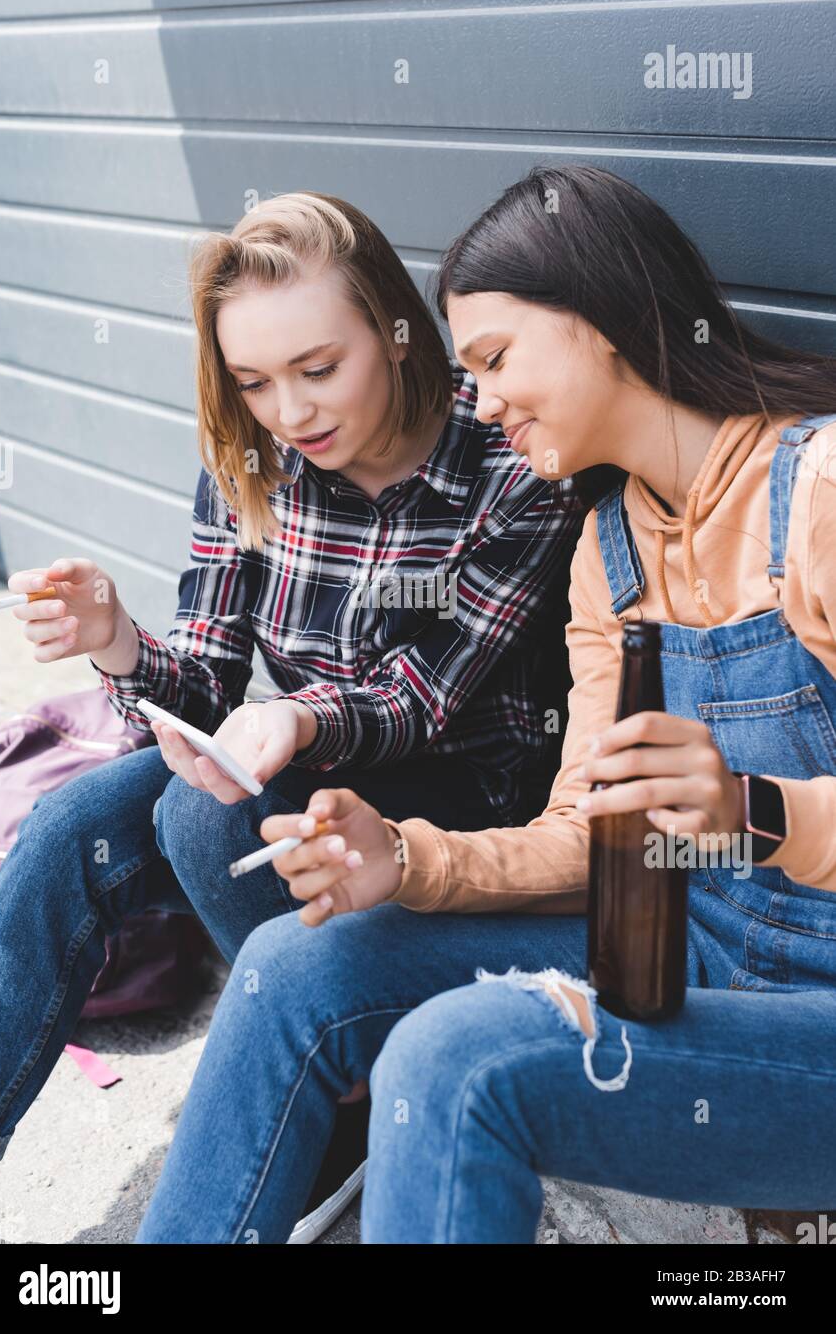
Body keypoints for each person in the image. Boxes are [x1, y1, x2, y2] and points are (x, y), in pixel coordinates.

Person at [132, 165, 836, 1245]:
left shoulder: (816, 494)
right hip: (680, 963)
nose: (485, 401)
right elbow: (582, 835)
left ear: (608, 322)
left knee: (456, 1059)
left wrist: (756, 808)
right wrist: (403, 861)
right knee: (288, 966)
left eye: (499, 361)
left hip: (811, 1019)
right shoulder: (611, 549)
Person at [0, 191, 583, 1245]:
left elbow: (425, 691)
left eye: (317, 367)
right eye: (254, 381)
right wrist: (118, 638)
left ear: (394, 332)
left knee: (209, 819)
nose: (290, 411)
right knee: (78, 822)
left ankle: (334, 1101)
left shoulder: (508, 459)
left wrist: (294, 718)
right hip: (293, 765)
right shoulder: (251, 458)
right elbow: (201, 681)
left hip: (468, 795)